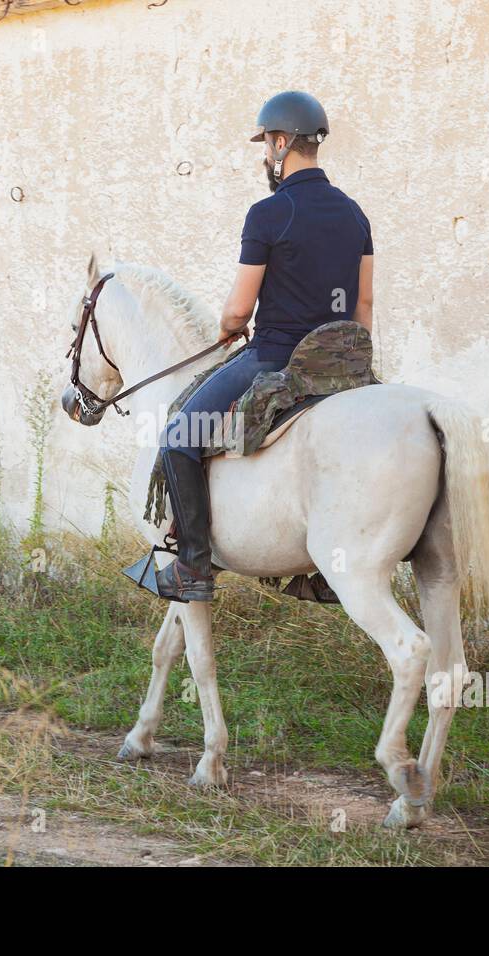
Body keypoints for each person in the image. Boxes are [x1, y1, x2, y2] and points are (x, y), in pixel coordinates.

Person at [153, 90, 375, 602]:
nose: (265, 155)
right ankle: (324, 570)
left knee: (179, 436)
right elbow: (363, 305)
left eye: (267, 144)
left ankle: (193, 567)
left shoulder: (269, 213)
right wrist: (352, 364)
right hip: (341, 366)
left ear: (280, 143)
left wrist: (228, 328)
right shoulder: (355, 215)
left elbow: (237, 310)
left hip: (275, 356)